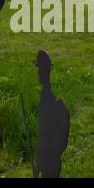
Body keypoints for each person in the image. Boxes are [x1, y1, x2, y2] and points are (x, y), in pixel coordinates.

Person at [34, 50, 70, 178]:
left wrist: (39, 163)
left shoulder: (47, 98)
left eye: (39, 69)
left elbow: (44, 134)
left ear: (43, 72)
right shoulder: (49, 96)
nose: (37, 72)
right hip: (52, 158)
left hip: (48, 159)